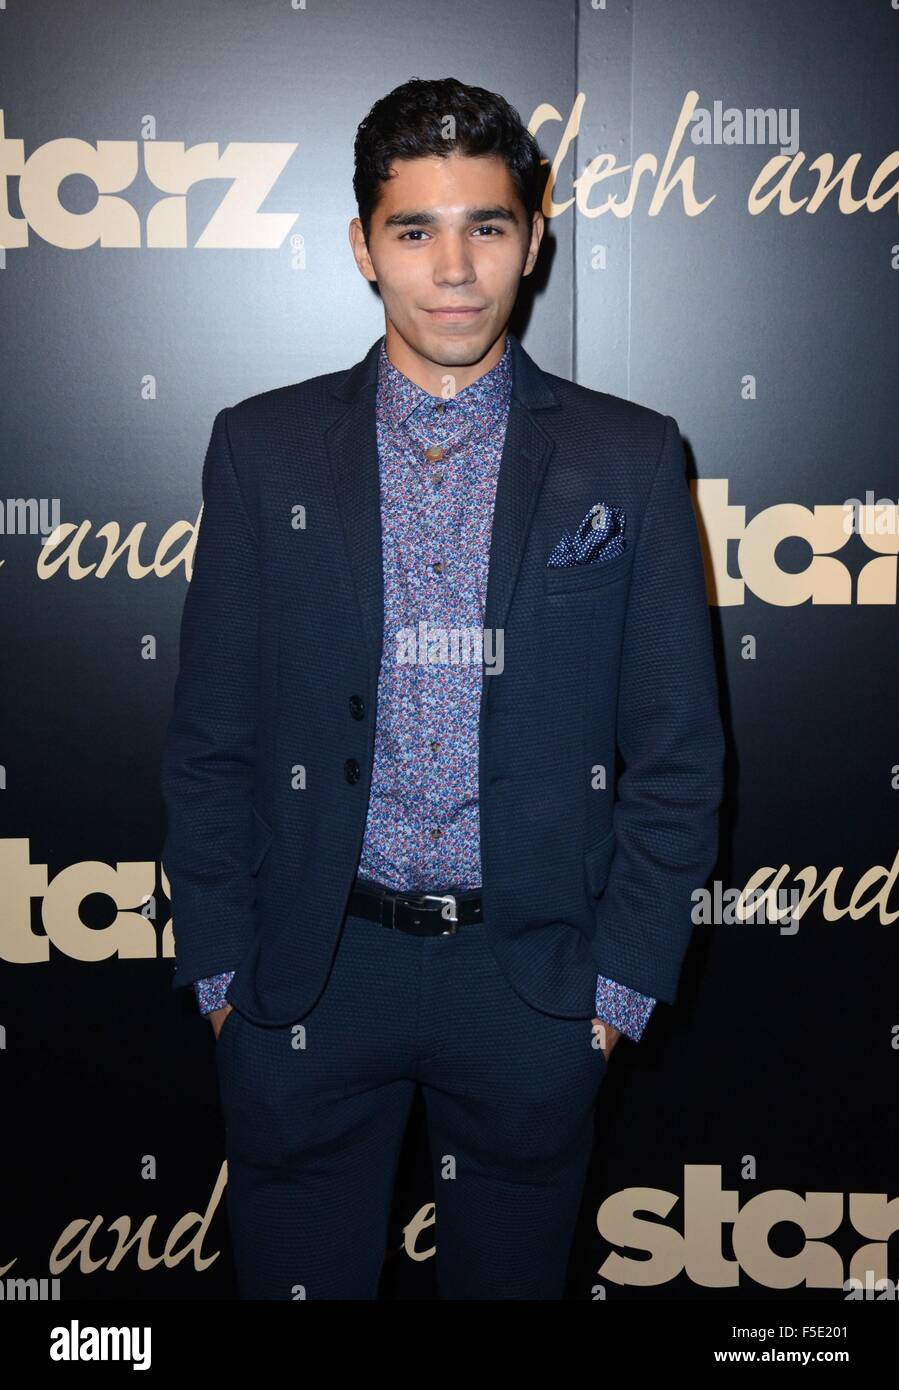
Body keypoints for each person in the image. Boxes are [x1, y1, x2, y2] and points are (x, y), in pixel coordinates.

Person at [160, 76, 725, 1300]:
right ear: (363, 245)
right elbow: (210, 740)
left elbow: (677, 753)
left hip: (528, 983)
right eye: (414, 230)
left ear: (533, 240)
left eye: (487, 225)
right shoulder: (260, 449)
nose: (454, 266)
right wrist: (220, 979)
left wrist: (613, 994)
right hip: (308, 973)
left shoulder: (627, 454)